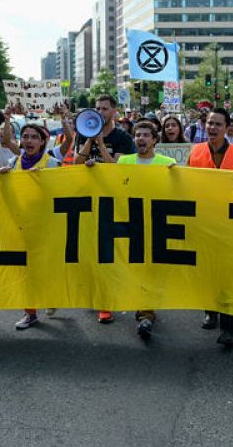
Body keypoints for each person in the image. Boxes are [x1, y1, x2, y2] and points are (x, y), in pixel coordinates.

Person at [187, 108, 233, 347]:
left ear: (227, 128)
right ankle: (210, 311)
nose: (212, 128)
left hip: (231, 224)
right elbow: (186, 183)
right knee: (207, 271)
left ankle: (229, 328)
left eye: (217, 124)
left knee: (230, 276)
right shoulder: (195, 152)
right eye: (209, 123)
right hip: (203, 222)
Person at [113, 120, 177, 340]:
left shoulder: (167, 163)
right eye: (137, 135)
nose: (141, 138)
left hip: (156, 223)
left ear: (155, 140)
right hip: (129, 222)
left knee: (150, 269)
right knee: (133, 267)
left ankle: (146, 314)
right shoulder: (124, 161)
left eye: (146, 135)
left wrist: (175, 175)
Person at [75, 95, 136, 323]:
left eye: (105, 109)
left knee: (107, 252)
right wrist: (89, 141)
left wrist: (101, 146)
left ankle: (105, 302)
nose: (100, 112)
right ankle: (95, 293)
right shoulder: (83, 132)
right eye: (98, 108)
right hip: (86, 198)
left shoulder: (123, 138)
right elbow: (76, 164)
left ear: (114, 111)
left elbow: (117, 169)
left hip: (111, 199)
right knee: (88, 250)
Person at [0, 123, 62, 331]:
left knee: (46, 268)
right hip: (21, 226)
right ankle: (30, 312)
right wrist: (1, 179)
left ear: (43, 141)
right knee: (26, 271)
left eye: (34, 137)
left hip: (46, 226)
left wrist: (45, 181)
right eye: (25, 136)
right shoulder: (12, 163)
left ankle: (51, 296)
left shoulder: (52, 164)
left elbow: (64, 192)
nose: (29, 140)